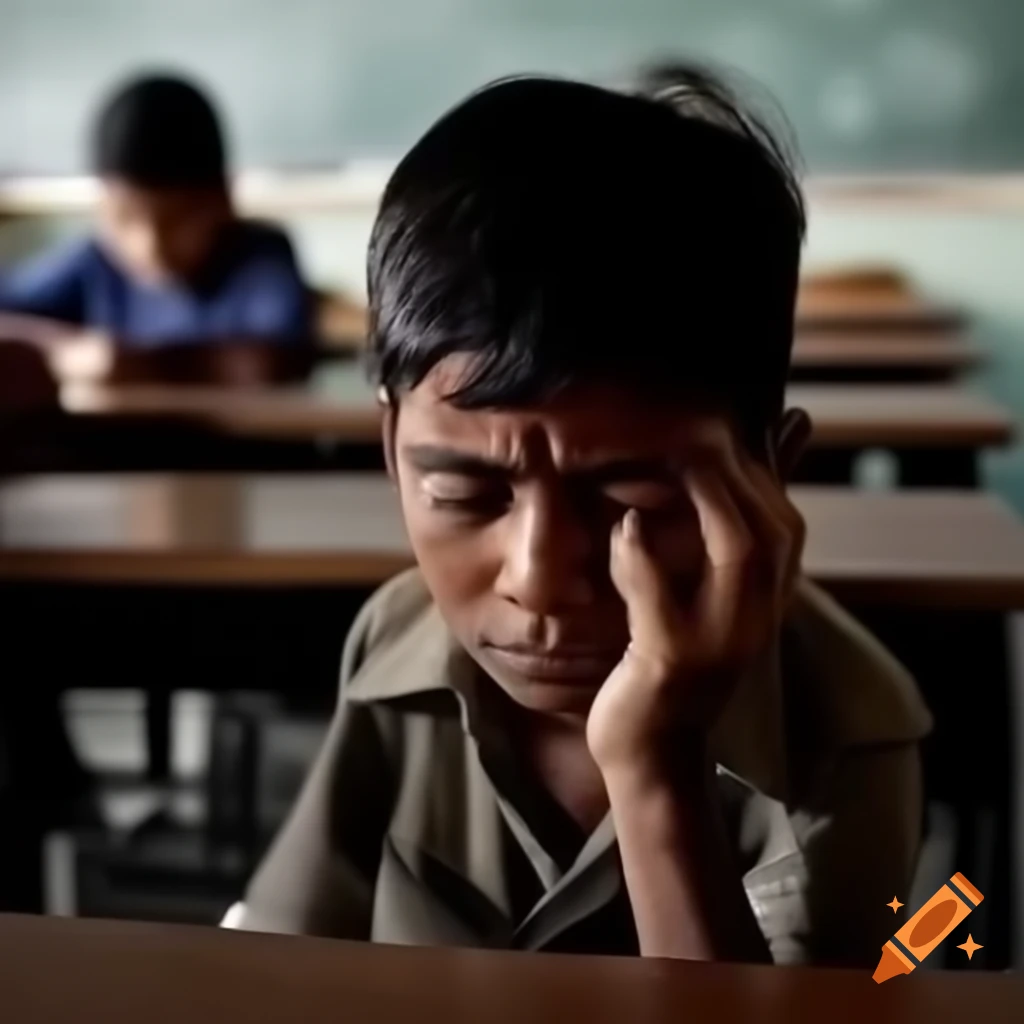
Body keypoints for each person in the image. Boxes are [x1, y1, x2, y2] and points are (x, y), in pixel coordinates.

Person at [225, 69, 931, 965]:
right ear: (391, 447)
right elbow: (277, 956)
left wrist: (656, 760)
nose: (539, 578)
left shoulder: (845, 734)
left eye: (632, 501)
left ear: (773, 474)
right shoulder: (395, 643)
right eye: (464, 495)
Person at [0, 74, 311, 364]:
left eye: (178, 219)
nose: (151, 244)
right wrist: (67, 350)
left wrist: (133, 364)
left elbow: (268, 358)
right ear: (101, 206)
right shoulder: (94, 262)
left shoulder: (260, 261)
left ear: (223, 199)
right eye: (124, 218)